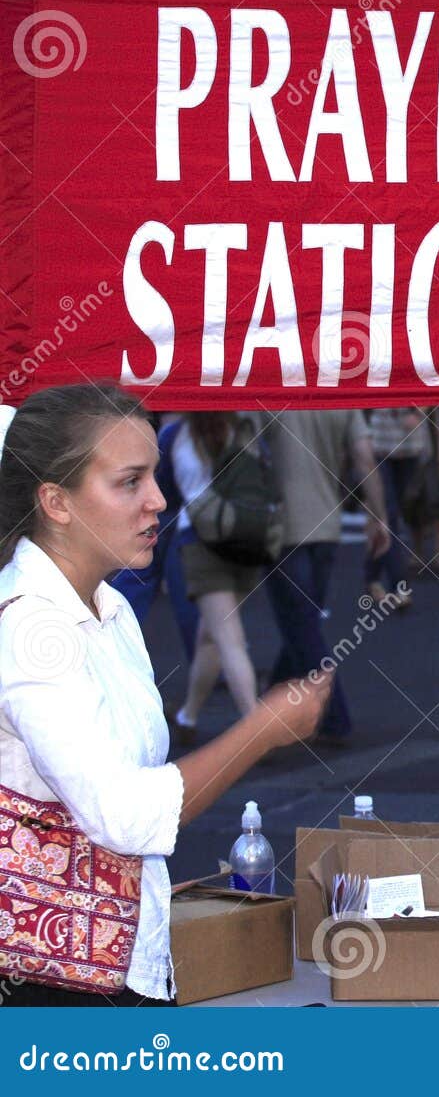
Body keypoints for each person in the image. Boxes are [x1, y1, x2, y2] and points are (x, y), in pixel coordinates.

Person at [0, 384, 328, 1006]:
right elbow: (123, 815)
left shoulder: (112, 608)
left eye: (153, 475)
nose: (158, 501)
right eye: (130, 481)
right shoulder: (29, 628)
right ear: (55, 502)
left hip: (116, 962)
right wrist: (261, 728)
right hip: (52, 986)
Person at [259, 409, 389, 746]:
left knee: (302, 627)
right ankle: (269, 702)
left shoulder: (272, 390)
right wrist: (379, 517)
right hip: (326, 526)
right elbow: (364, 458)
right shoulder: (337, 394)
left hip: (283, 528)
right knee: (302, 623)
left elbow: (245, 450)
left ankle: (334, 717)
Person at [167, 412, 264, 749]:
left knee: (226, 639)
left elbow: (168, 487)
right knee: (212, 636)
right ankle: (188, 717)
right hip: (245, 538)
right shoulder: (244, 427)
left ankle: (254, 730)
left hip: (199, 540)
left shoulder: (178, 437)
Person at [363, 408, 428, 607]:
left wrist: (419, 412)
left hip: (410, 444)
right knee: (388, 514)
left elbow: (431, 385)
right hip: (379, 442)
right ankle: (398, 585)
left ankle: (371, 574)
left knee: (390, 515)